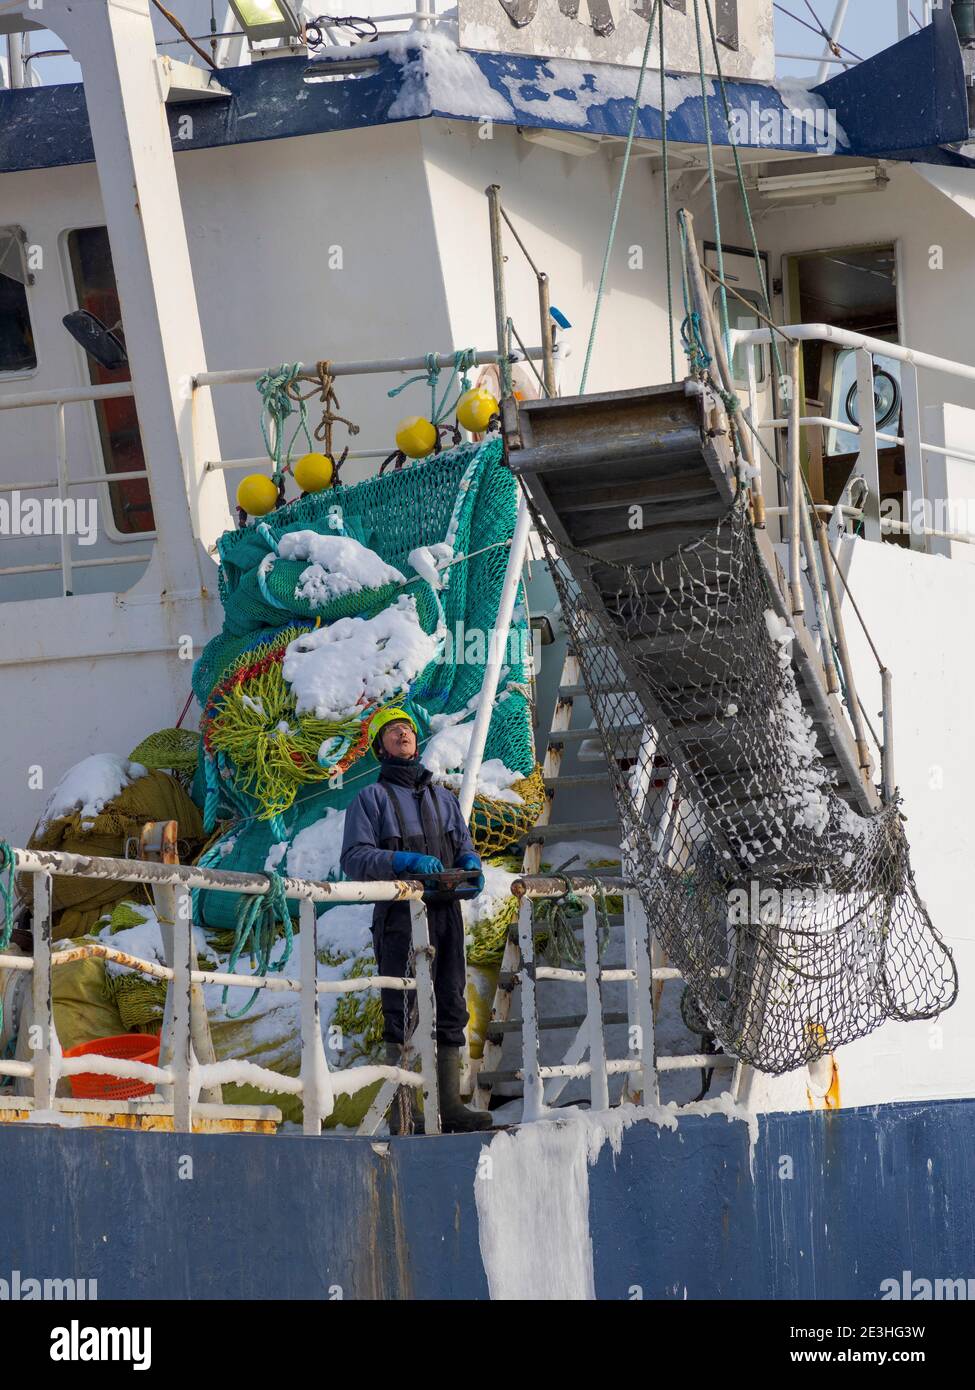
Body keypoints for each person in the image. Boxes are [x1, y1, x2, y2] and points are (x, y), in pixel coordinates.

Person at [340, 707, 492, 1134]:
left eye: (406, 728)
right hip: (398, 916)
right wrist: (404, 862)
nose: (402, 734)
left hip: (445, 912)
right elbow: (353, 858)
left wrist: (470, 865)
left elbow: (464, 845)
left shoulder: (442, 797)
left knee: (451, 1003)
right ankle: (403, 1112)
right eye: (391, 731)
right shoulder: (370, 800)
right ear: (379, 747)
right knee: (402, 1009)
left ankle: (449, 1106)